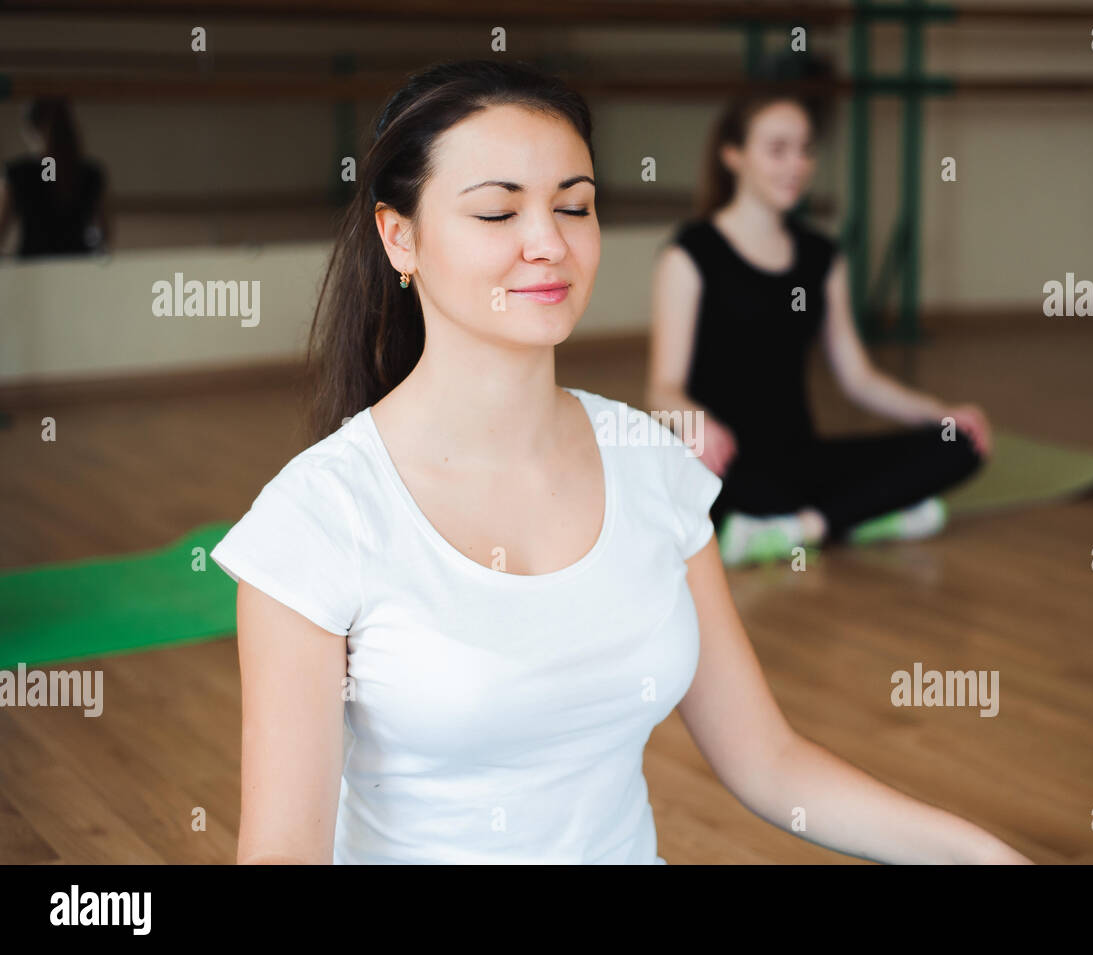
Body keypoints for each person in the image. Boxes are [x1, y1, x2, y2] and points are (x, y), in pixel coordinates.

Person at [211, 59, 1030, 865]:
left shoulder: (651, 468)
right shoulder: (319, 517)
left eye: (575, 206)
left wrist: (978, 852)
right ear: (401, 237)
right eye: (498, 213)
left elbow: (766, 759)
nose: (549, 244)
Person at [648, 89, 992, 567]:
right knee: (703, 494)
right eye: (777, 149)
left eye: (806, 149)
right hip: (726, 466)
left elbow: (859, 378)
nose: (797, 164)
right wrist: (696, 424)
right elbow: (663, 390)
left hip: (800, 459)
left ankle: (804, 528)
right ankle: (863, 516)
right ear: (733, 155)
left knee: (962, 446)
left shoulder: (821, 256)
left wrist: (941, 413)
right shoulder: (689, 255)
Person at [0, 98, 110, 259]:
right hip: (76, 265)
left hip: (32, 267)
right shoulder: (91, 173)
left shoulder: (18, 173)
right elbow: (104, 233)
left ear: (30, 128)